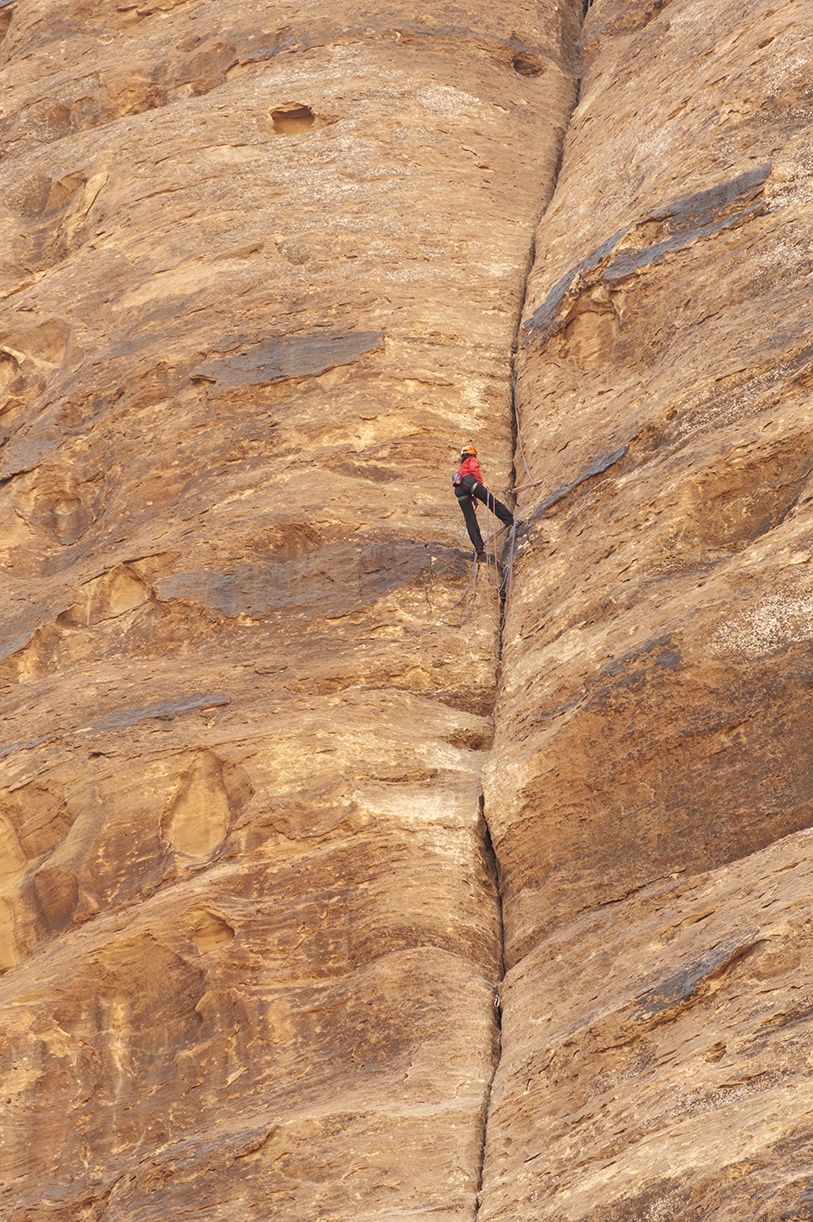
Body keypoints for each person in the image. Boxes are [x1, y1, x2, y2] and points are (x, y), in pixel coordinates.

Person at [452, 443, 515, 560]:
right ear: (472, 454)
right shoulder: (471, 460)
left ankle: (478, 548)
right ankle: (510, 519)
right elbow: (474, 470)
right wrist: (479, 486)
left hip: (458, 490)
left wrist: (473, 497)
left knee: (470, 518)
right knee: (491, 502)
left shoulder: (460, 468)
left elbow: (463, 484)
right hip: (470, 482)